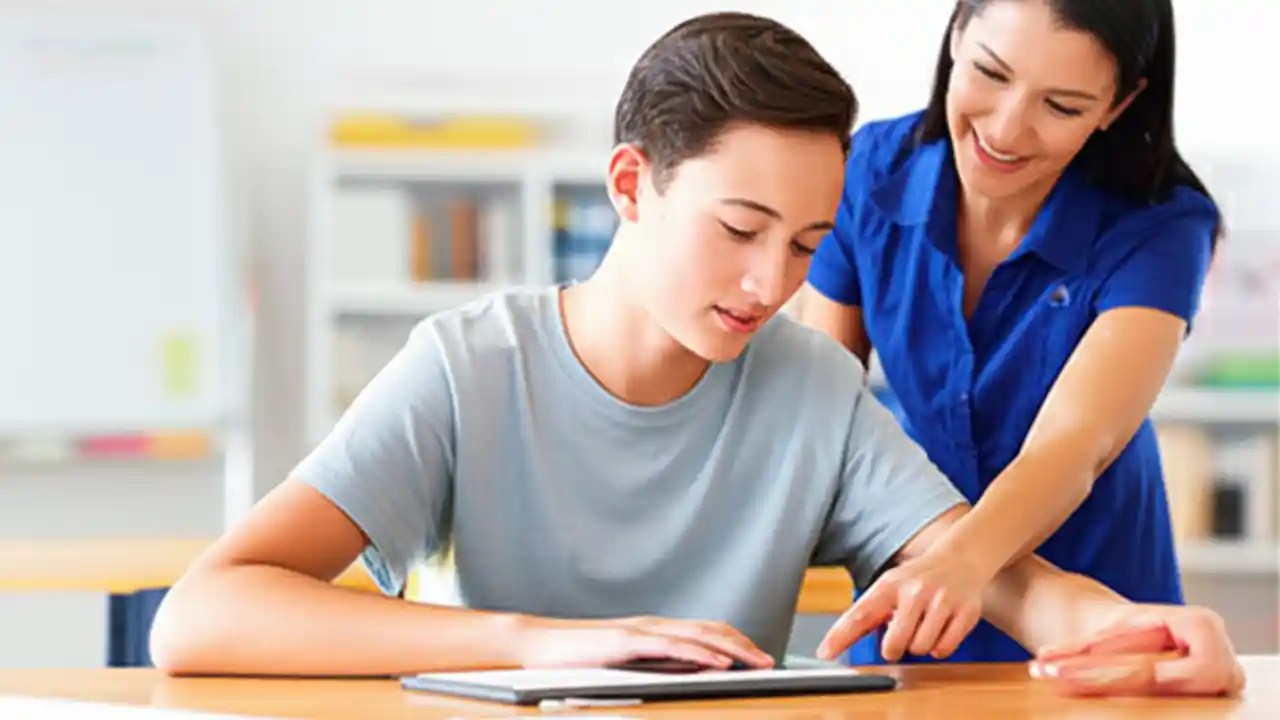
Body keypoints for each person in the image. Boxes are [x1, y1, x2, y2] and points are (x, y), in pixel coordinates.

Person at [149, 11, 1243, 697]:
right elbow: (199, 617)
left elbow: (1004, 579)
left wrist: (1132, 627)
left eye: (808, 247)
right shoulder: (467, 367)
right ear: (631, 186)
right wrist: (540, 645)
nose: (772, 286)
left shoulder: (811, 387)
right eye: (736, 230)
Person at [800, 0, 1222, 667]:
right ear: (956, 36)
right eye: (991, 74)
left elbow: (1076, 442)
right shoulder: (867, 172)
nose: (1006, 129)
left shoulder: (1163, 225)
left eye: (1062, 107)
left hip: (1092, 600)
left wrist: (959, 565)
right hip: (915, 589)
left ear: (1118, 105)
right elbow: (823, 405)